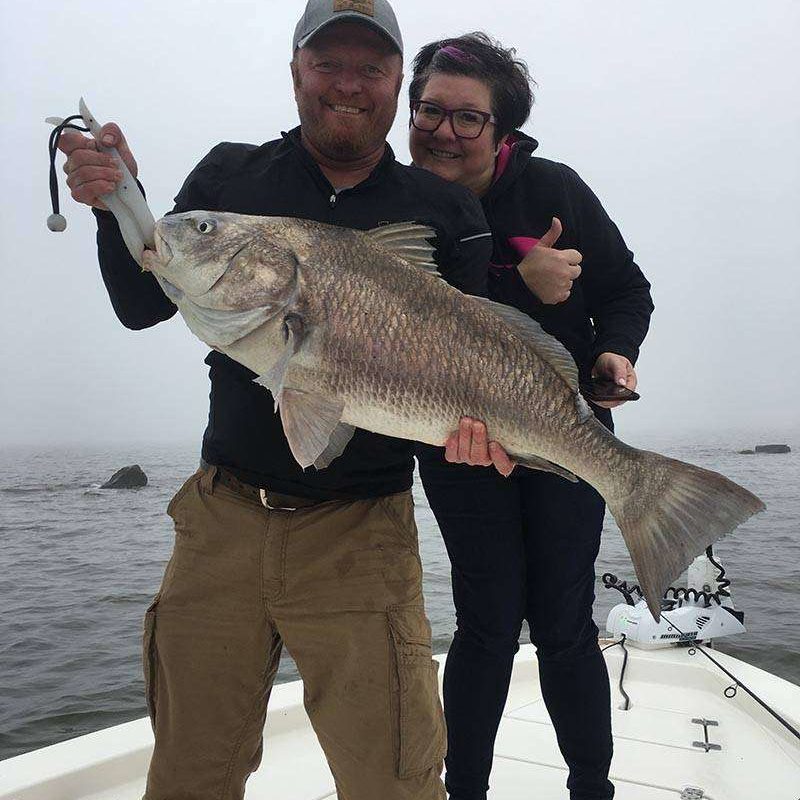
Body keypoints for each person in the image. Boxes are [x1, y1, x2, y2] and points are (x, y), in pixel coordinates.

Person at [56, 3, 493, 798]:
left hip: (363, 537)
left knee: (393, 782)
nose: (348, 84)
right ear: (296, 72)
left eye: (370, 67)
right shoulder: (232, 178)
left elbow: (464, 370)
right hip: (220, 524)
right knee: (189, 774)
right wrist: (116, 206)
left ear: (398, 82)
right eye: (329, 63)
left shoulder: (446, 211)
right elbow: (142, 303)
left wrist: (481, 440)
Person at [408, 34, 654, 800]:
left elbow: (627, 289)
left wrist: (614, 352)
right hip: (457, 442)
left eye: (468, 118)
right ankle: (465, 793)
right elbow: (409, 320)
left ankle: (591, 790)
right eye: (429, 111)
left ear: (502, 130)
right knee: (485, 625)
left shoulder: (555, 189)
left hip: (568, 435)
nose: (444, 131)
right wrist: (521, 278)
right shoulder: (401, 204)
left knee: (563, 626)